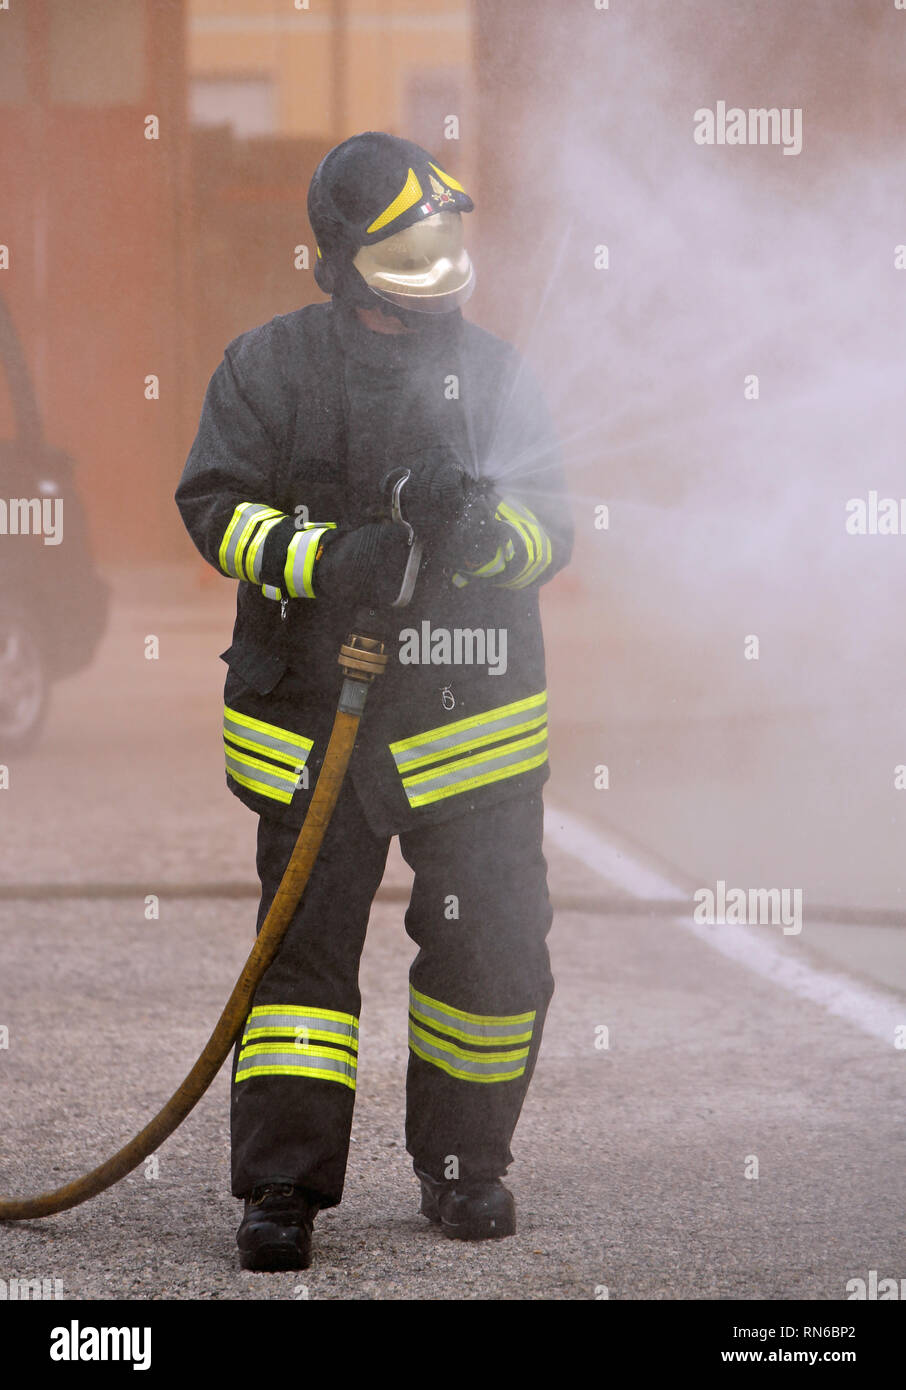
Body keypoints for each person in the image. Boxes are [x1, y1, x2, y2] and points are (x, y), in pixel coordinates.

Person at [175, 132, 573, 1271]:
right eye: (408, 249)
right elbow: (214, 509)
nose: (436, 269)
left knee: (493, 951)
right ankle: (284, 1188)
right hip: (314, 725)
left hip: (472, 730)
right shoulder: (270, 368)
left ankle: (466, 1168)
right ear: (340, 260)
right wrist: (329, 560)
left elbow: (555, 527)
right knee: (302, 962)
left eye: (446, 243)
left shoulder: (499, 375)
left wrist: (484, 532)